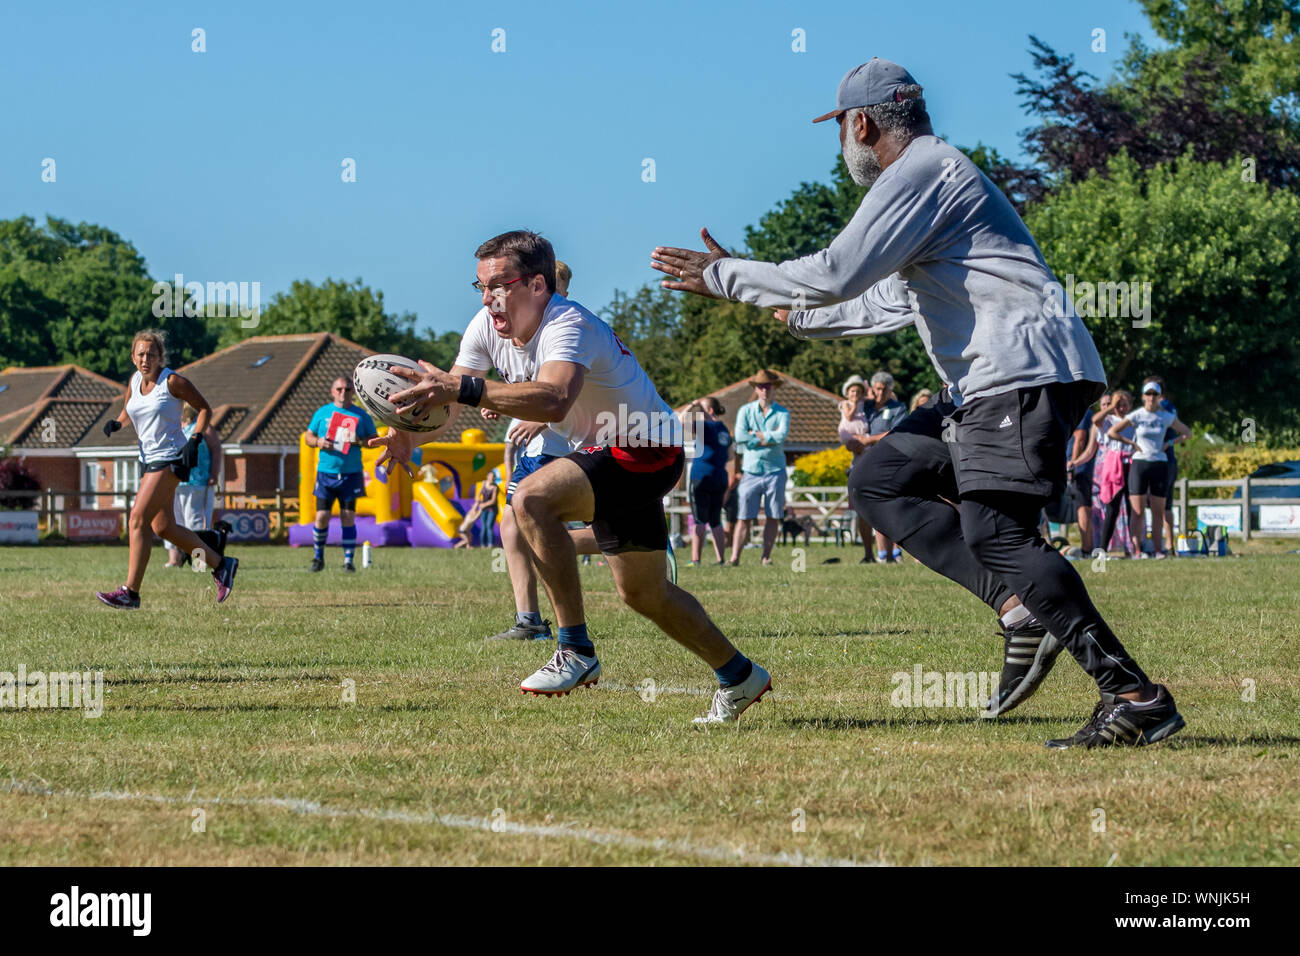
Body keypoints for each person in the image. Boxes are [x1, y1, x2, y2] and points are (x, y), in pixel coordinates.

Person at [652, 57, 1182, 748]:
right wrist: (790, 309)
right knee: (881, 477)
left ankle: (1134, 695)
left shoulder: (923, 171)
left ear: (862, 123)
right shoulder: (935, 184)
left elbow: (837, 271)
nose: (839, 141)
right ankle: (1019, 609)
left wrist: (728, 276)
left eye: (839, 127)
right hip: (998, 380)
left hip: (1019, 372)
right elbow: (879, 300)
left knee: (997, 533)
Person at [372, 230, 770, 724]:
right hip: (609, 452)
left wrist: (465, 387)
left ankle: (574, 649)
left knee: (531, 500)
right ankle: (739, 675)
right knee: (644, 594)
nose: (487, 298)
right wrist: (413, 435)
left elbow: (554, 398)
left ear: (538, 285)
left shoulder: (568, 323)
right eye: (479, 287)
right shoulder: (483, 326)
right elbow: (450, 401)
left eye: (499, 285)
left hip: (647, 446)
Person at [95, 330, 238, 608]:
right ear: (133, 357)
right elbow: (129, 409)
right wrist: (118, 423)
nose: (145, 359)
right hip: (148, 460)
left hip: (172, 458)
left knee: (137, 518)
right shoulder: (135, 380)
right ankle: (221, 564)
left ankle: (130, 592)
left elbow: (204, 408)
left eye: (151, 354)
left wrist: (195, 439)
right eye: (140, 354)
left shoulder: (172, 381)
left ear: (160, 356)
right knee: (163, 527)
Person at [1106, 381, 1190, 559]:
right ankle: (1137, 550)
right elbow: (1112, 432)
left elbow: (1187, 433)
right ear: (1143, 396)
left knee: (1158, 511)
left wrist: (1169, 443)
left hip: (1159, 463)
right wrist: (1131, 444)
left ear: (1159, 397)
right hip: (1139, 464)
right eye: (1148, 393)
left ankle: (1159, 550)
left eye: (1154, 394)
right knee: (1137, 511)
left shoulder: (1165, 416)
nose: (1151, 397)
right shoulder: (1137, 415)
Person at [306, 377, 379, 571]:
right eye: (339, 389)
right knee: (321, 516)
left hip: (351, 473)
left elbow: (374, 439)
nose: (343, 393)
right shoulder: (323, 412)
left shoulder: (361, 415)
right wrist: (319, 442)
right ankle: (318, 557)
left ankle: (348, 560)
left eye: (347, 389)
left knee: (348, 516)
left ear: (352, 392)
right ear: (332, 391)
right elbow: (308, 436)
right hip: (326, 472)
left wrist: (358, 440)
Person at [729, 370, 790, 566]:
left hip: (775, 471)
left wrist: (754, 436)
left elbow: (781, 436)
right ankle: (734, 558)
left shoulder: (783, 412)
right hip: (751, 470)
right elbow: (739, 436)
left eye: (767, 386)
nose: (764, 390)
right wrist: (766, 436)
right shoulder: (745, 411)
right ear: (756, 388)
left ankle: (766, 556)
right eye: (761, 386)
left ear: (774, 388)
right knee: (744, 516)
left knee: (773, 515)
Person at [164, 404, 221, 568]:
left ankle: (199, 560)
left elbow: (216, 449)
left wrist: (214, 474)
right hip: (174, 480)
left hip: (198, 482)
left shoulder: (202, 427)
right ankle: (175, 559)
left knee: (195, 521)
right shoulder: (172, 426)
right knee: (173, 521)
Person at [681, 396, 732, 566]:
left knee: (699, 519)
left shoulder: (705, 427)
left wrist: (692, 405)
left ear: (709, 411)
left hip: (701, 476)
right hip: (720, 477)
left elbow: (680, 422)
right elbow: (730, 456)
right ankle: (721, 559)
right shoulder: (724, 429)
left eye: (701, 410)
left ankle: (696, 559)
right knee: (716, 520)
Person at [864, 372, 908, 562]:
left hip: (889, 462)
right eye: (878, 388)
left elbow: (896, 432)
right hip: (865, 461)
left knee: (893, 508)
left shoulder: (898, 408)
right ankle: (880, 553)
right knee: (872, 511)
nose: (881, 392)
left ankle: (896, 551)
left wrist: (869, 440)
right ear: (873, 389)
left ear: (890, 390)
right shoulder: (865, 408)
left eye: (884, 389)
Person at [837, 374, 877, 563]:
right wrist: (854, 403)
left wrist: (867, 390)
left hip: (865, 442)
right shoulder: (847, 404)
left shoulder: (866, 405)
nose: (855, 394)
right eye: (853, 391)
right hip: (853, 438)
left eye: (858, 392)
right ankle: (868, 551)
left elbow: (879, 397)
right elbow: (849, 417)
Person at [1094, 390, 1135, 556]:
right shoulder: (1109, 420)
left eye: (1125, 405)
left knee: (1133, 509)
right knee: (1112, 508)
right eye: (1119, 405)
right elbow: (1095, 420)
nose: (1121, 408)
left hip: (1131, 463)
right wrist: (1111, 406)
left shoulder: (1132, 421)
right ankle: (1103, 548)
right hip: (1114, 465)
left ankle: (1133, 548)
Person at [1066, 399, 1100, 556]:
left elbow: (1080, 438)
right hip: (1080, 467)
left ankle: (1087, 548)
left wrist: (1072, 463)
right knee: (1082, 505)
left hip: (1079, 468)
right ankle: (1087, 547)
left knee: (1082, 506)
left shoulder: (1083, 412)